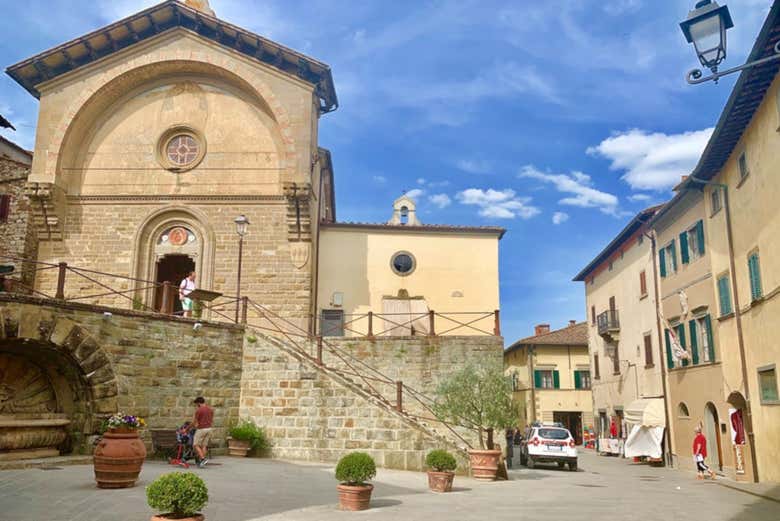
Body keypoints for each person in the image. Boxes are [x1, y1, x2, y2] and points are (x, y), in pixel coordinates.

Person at [191, 396, 213, 468]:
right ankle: (201, 462)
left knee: (195, 445)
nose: (196, 406)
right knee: (204, 445)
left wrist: (187, 429)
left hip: (201, 429)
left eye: (196, 404)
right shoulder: (210, 409)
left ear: (198, 403)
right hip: (209, 429)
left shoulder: (199, 410)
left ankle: (203, 459)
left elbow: (194, 422)